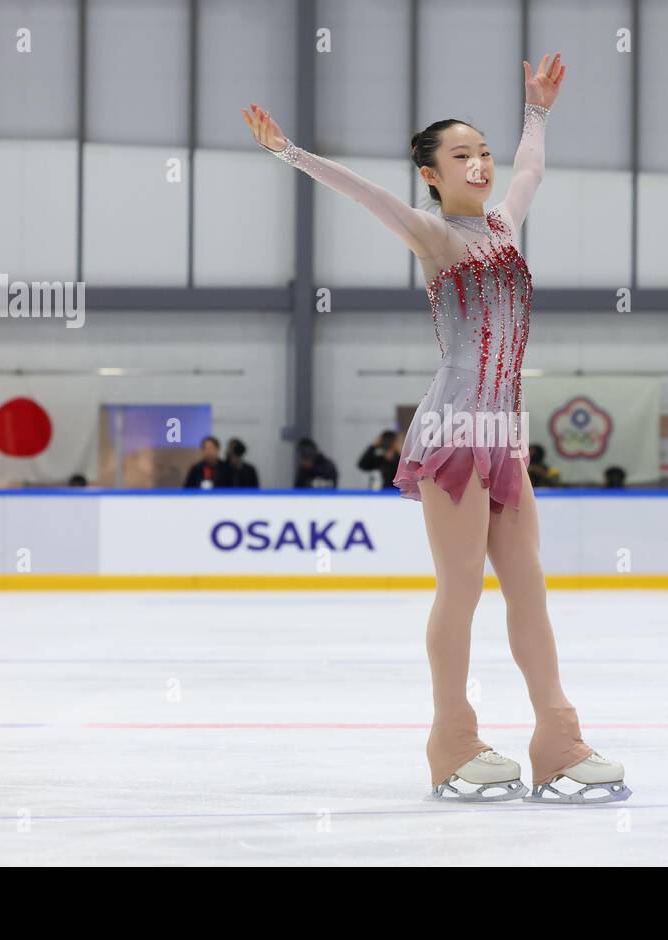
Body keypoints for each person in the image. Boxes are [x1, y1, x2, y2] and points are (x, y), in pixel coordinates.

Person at [244, 52, 628, 804]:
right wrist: (290, 153)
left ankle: (557, 738)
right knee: (461, 588)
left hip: (506, 435)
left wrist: (538, 113)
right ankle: (451, 738)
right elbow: (365, 194)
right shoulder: (434, 236)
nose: (482, 164)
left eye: (484, 151)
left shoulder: (504, 226)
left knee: (529, 587)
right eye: (463, 155)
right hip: (455, 430)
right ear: (432, 172)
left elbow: (532, 171)